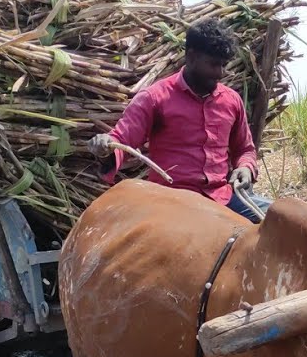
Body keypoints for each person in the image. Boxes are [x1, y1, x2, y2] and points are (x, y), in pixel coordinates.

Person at [88, 19, 272, 223]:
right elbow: (122, 140)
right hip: (171, 200)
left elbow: (245, 149)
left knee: (282, 222)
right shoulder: (155, 98)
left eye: (223, 65)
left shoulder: (231, 100)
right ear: (191, 57)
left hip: (222, 198)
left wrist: (245, 167)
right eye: (213, 64)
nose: (220, 73)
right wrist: (106, 148)